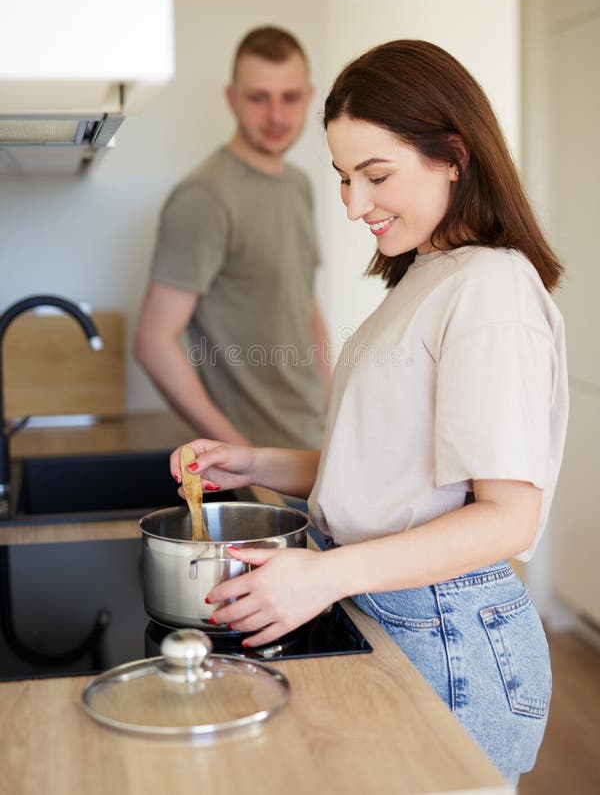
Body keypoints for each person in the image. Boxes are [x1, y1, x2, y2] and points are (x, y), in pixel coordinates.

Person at [169, 40, 568, 786]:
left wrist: (321, 578)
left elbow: (508, 519)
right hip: (393, 608)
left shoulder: (492, 290)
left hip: (446, 634)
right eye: (344, 178)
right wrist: (254, 461)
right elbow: (398, 470)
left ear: (454, 155)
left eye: (375, 175)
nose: (354, 205)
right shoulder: (426, 276)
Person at [134, 26, 329, 449]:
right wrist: (239, 454)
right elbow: (153, 342)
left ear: (310, 97)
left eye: (290, 98)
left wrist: (334, 413)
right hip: (258, 463)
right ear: (231, 98)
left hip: (316, 446)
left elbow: (306, 307)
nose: (277, 116)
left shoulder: (299, 185)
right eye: (259, 98)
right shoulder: (204, 198)